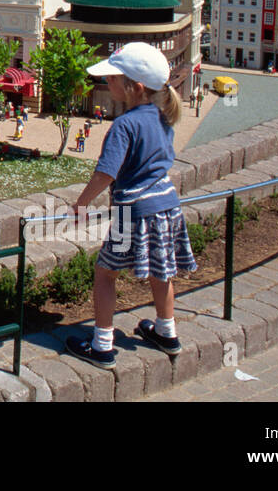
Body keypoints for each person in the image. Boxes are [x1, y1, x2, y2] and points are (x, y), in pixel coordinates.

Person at [65, 42, 195, 368]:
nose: (105, 84)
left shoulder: (124, 125)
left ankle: (102, 345)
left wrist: (81, 204)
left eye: (111, 79)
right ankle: (166, 332)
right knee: (161, 272)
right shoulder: (163, 117)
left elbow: (106, 173)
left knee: (105, 273)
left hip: (131, 212)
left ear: (134, 88)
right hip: (166, 206)